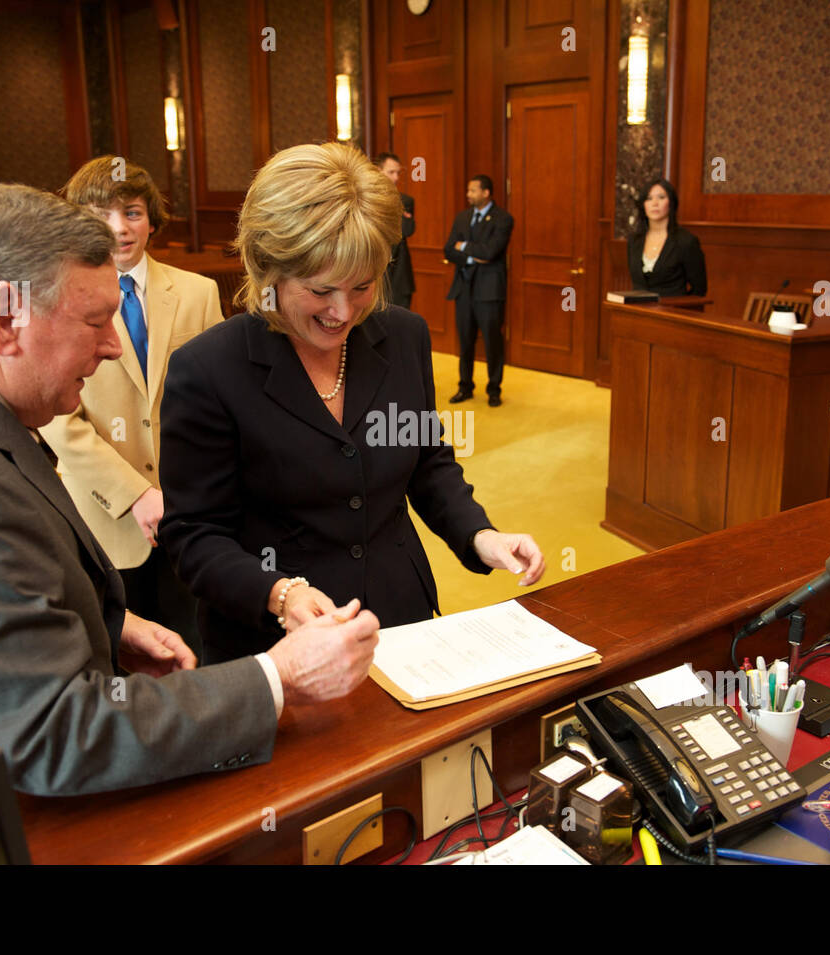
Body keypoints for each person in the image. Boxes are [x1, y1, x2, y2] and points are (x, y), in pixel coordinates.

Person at [0, 182, 379, 834]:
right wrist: (279, 675)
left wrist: (104, 625)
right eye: (95, 322)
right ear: (6, 319)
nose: (114, 347)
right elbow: (54, 735)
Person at [160, 143, 544, 664]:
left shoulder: (403, 336)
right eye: (321, 291)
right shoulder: (208, 369)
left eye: (362, 286)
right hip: (277, 645)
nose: (343, 313)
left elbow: (427, 465)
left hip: (401, 623)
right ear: (268, 270)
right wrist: (281, 594)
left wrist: (481, 535)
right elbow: (194, 537)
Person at [39, 156, 223, 654]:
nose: (119, 228)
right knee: (118, 657)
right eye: (102, 214)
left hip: (190, 511)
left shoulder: (198, 293)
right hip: (105, 513)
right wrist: (136, 493)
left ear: (152, 219)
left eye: (133, 212)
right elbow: (58, 419)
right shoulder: (55, 301)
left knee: (197, 647)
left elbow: (218, 403)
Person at [443, 174, 514, 406]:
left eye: (472, 190)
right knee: (465, 342)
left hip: (489, 292)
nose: (468, 195)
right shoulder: (462, 217)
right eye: (468, 190)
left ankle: (494, 389)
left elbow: (491, 252)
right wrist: (474, 257)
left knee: (492, 341)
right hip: (464, 289)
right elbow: (448, 251)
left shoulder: (503, 219)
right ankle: (465, 387)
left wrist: (463, 247)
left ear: (486, 193)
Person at [626, 178, 706, 297]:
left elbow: (699, 289)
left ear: (671, 203)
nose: (655, 203)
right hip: (638, 312)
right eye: (649, 198)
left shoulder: (686, 241)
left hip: (672, 312)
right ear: (643, 205)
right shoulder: (634, 241)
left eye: (661, 197)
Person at [375, 152, 415, 309]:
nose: (396, 177)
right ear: (378, 171)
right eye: (391, 172)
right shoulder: (366, 197)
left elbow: (407, 229)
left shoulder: (405, 200)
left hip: (400, 276)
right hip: (374, 273)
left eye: (398, 173)